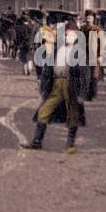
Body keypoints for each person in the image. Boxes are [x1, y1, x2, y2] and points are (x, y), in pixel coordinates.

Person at [25, 18, 87, 153]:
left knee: (73, 115)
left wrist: (82, 93)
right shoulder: (58, 49)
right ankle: (37, 142)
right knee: (43, 111)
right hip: (57, 85)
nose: (68, 37)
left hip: (72, 86)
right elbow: (48, 67)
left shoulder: (80, 53)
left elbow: (84, 75)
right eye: (66, 34)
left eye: (71, 34)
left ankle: (70, 145)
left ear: (76, 36)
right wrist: (42, 81)